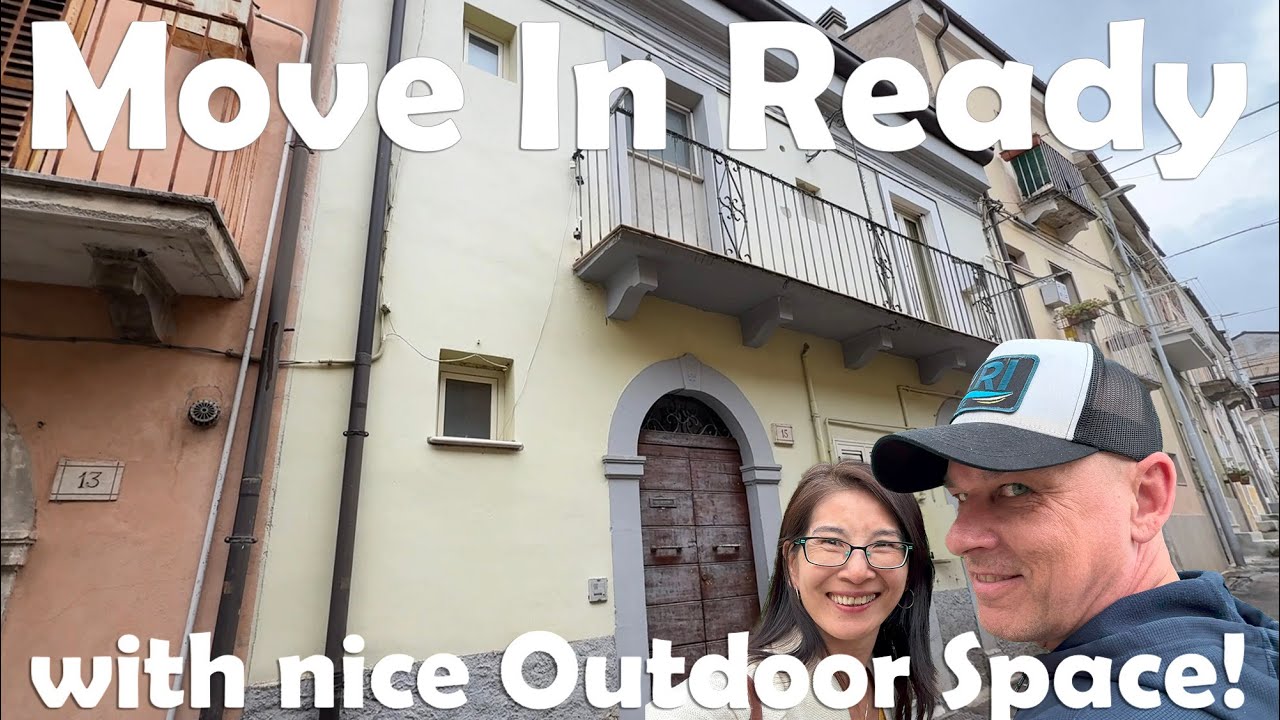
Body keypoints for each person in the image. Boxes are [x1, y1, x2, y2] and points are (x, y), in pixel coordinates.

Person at [869, 338, 1280, 718]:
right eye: (960, 496)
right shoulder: (1237, 644)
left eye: (1016, 489)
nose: (957, 539)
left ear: (1146, 500)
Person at [646, 461, 939, 719]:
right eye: (831, 542)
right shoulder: (726, 699)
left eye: (884, 544)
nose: (858, 572)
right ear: (792, 565)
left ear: (911, 568)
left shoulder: (884, 678)